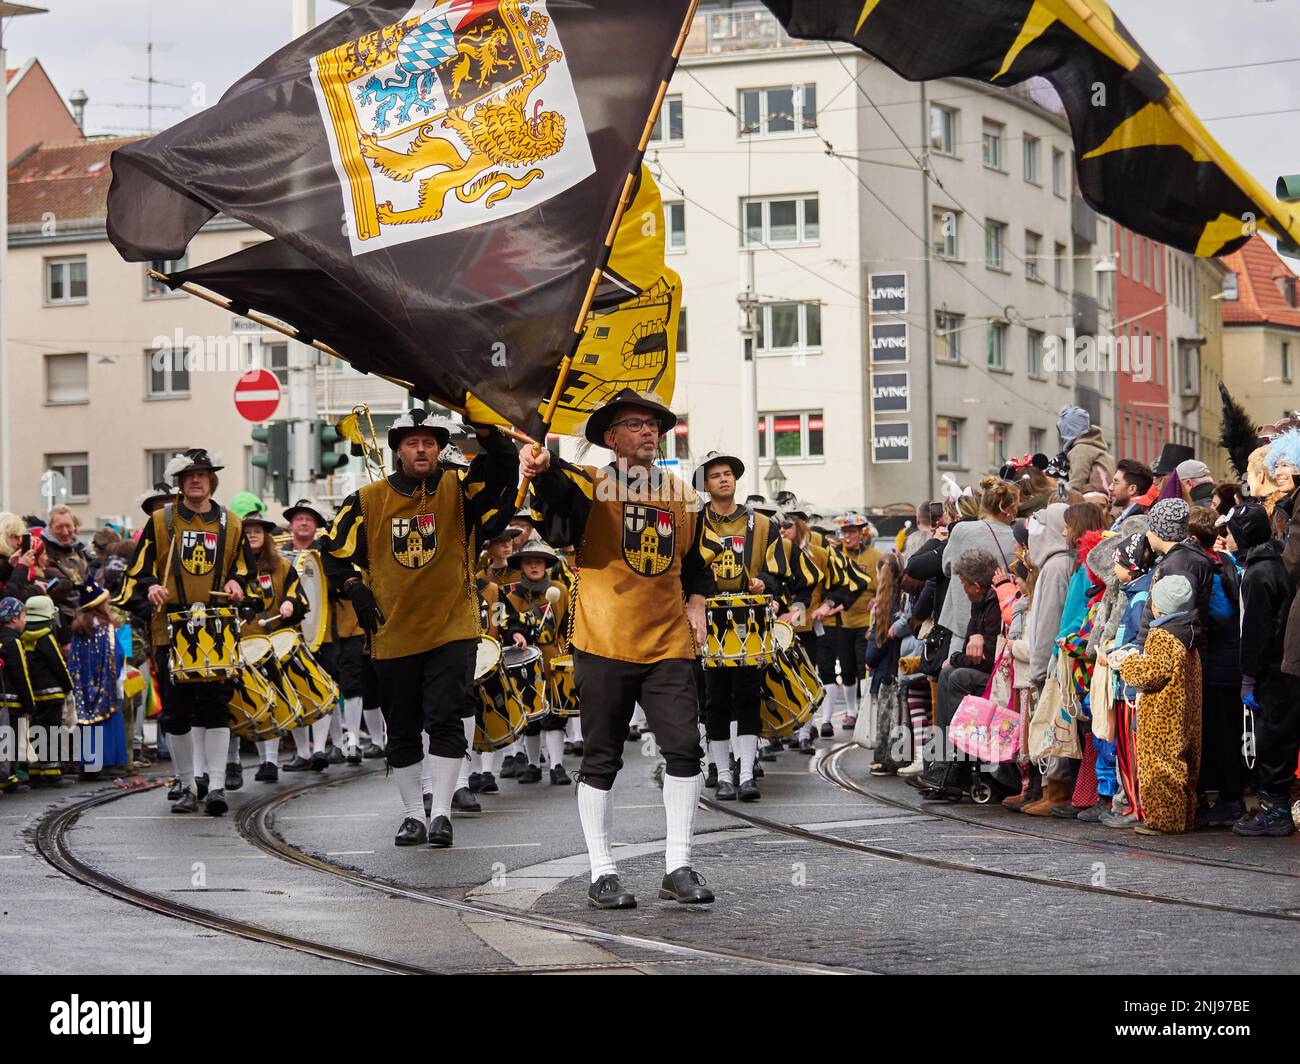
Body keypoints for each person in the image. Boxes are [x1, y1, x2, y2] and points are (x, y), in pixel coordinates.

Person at [521, 388, 723, 909]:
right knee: (601, 758)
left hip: (668, 641)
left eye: (655, 423)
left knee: (684, 749)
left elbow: (697, 563)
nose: (649, 431)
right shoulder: (590, 485)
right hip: (604, 639)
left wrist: (697, 602)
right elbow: (558, 513)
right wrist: (542, 468)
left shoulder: (682, 495)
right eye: (635, 424)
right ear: (611, 438)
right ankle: (602, 871)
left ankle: (677, 865)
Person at [321, 410, 517, 849]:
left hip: (453, 626)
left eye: (429, 441)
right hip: (393, 632)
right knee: (403, 727)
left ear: (439, 447)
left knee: (446, 718)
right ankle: (413, 814)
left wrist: (485, 426)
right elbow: (333, 551)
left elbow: (503, 471)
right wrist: (354, 586)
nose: (422, 448)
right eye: (413, 442)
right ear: (398, 450)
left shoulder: (461, 490)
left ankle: (442, 815)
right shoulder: (367, 499)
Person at [115, 448, 252, 815]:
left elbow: (244, 570)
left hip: (217, 628)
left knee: (215, 708)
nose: (196, 480)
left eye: (203, 474)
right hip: (170, 629)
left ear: (211, 480)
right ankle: (188, 785)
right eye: (190, 475)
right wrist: (151, 588)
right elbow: (135, 575)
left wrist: (239, 584)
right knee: (176, 712)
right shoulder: (161, 522)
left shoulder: (232, 523)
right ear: (180, 481)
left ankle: (217, 786)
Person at [695, 450, 778, 801]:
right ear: (707, 484)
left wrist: (763, 583)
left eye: (728, 473)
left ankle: (746, 775)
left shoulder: (761, 525)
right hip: (709, 621)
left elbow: (777, 573)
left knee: (747, 695)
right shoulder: (695, 523)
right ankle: (723, 774)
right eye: (716, 476)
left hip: (749, 621)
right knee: (714, 700)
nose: (724, 479)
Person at [1227, 503, 1300, 836]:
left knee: (1272, 738)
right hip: (1281, 662)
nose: (1225, 537)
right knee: (1278, 736)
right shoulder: (1276, 561)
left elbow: (1255, 629)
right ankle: (1275, 806)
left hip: (1271, 668)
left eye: (1229, 532)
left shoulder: (1257, 573)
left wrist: (1248, 676)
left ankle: (1275, 810)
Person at [1115, 574, 1202, 836]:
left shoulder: (1162, 636)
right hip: (1186, 713)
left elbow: (1152, 673)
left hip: (1162, 715)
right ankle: (1184, 817)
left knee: (1160, 766)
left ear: (1158, 607)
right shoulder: (1188, 633)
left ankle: (1165, 820)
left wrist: (1127, 664)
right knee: (1184, 765)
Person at [925, 549, 1003, 799]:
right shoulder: (978, 603)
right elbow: (972, 643)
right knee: (947, 674)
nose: (964, 590)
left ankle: (953, 765)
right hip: (985, 670)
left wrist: (958, 657)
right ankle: (943, 761)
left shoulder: (995, 606)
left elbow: (984, 658)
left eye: (964, 585)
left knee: (957, 677)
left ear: (977, 586)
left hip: (997, 676)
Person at [277, 500, 346, 772]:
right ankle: (303, 751)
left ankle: (319, 748)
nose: (303, 523)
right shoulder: (279, 556)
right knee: (294, 689)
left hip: (324, 631)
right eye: (298, 519)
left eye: (309, 519)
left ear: (316, 525)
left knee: (323, 688)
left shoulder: (325, 553)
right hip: (289, 633)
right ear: (291, 525)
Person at [241, 513, 308, 783]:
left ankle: (269, 760)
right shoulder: (235, 568)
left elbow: (298, 593)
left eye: (257, 531)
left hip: (273, 642)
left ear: (266, 535)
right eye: (247, 532)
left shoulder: (281, 565)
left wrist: (290, 603)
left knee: (273, 700)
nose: (253, 535)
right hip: (245, 642)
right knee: (253, 701)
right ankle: (251, 761)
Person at [502, 536, 571, 786]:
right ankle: (532, 765)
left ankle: (557, 766)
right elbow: (506, 626)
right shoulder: (510, 597)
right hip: (525, 663)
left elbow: (567, 626)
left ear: (546, 566)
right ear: (521, 566)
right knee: (530, 717)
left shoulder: (560, 591)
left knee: (555, 714)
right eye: (529, 562)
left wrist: (569, 655)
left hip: (552, 659)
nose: (534, 566)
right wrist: (515, 633)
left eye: (539, 562)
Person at [68, 580, 127, 780]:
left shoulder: (78, 631)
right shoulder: (107, 630)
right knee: (106, 721)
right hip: (105, 685)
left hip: (83, 686)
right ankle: (105, 763)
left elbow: (73, 660)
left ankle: (87, 764)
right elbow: (117, 655)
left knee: (86, 723)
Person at [826, 515, 880, 730]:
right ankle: (851, 711)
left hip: (865, 622)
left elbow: (886, 584)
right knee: (846, 668)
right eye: (845, 532)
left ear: (862, 534)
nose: (848, 536)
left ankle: (867, 710)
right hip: (842, 622)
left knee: (864, 666)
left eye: (852, 532)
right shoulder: (835, 556)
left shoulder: (875, 557)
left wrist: (878, 597)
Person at [19, 595, 72, 786]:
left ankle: (35, 770)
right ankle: (52, 771)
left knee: (36, 729)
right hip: (52, 693)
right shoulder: (46, 637)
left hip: (34, 693)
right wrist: (68, 685)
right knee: (52, 730)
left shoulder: (22, 638)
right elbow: (57, 663)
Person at [0, 598, 35, 793]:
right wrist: (29, 703)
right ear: (14, 619)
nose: (25, 621)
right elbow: (22, 675)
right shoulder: (14, 642)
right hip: (13, 701)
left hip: (2, 698)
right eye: (23, 616)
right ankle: (9, 776)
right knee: (12, 738)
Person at [1057, 405, 1116, 495]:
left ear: (1069, 429)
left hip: (1090, 501)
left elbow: (1076, 485)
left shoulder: (1080, 450)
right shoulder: (1097, 448)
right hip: (1104, 500)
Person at [1109, 459, 1154, 529]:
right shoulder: (1125, 517)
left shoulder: (1137, 522)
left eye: (1116, 482)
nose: (1110, 488)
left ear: (1132, 489)